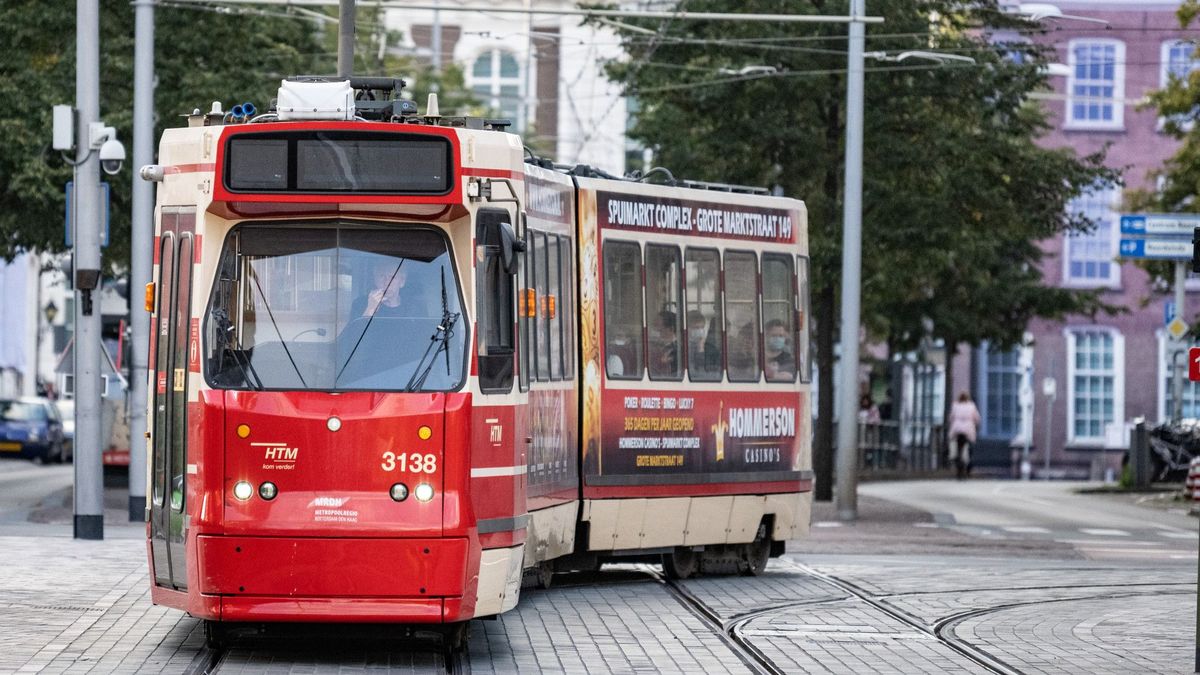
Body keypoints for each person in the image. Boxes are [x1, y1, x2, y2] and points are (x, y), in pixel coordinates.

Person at [947, 390, 981, 480]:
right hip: (968, 429)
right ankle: (968, 466)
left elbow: (951, 418)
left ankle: (959, 468)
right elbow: (977, 418)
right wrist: (976, 425)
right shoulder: (971, 406)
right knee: (969, 449)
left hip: (957, 429)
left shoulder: (955, 405)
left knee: (958, 449)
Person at [686, 310, 720, 377]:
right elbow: (691, 372)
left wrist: (701, 348)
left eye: (702, 327)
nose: (700, 331)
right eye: (696, 328)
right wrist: (700, 350)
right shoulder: (682, 347)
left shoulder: (711, 348)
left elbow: (715, 371)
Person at [649, 310, 679, 377]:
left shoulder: (678, 350)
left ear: (670, 329)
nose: (653, 330)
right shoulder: (650, 346)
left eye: (657, 326)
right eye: (653, 325)